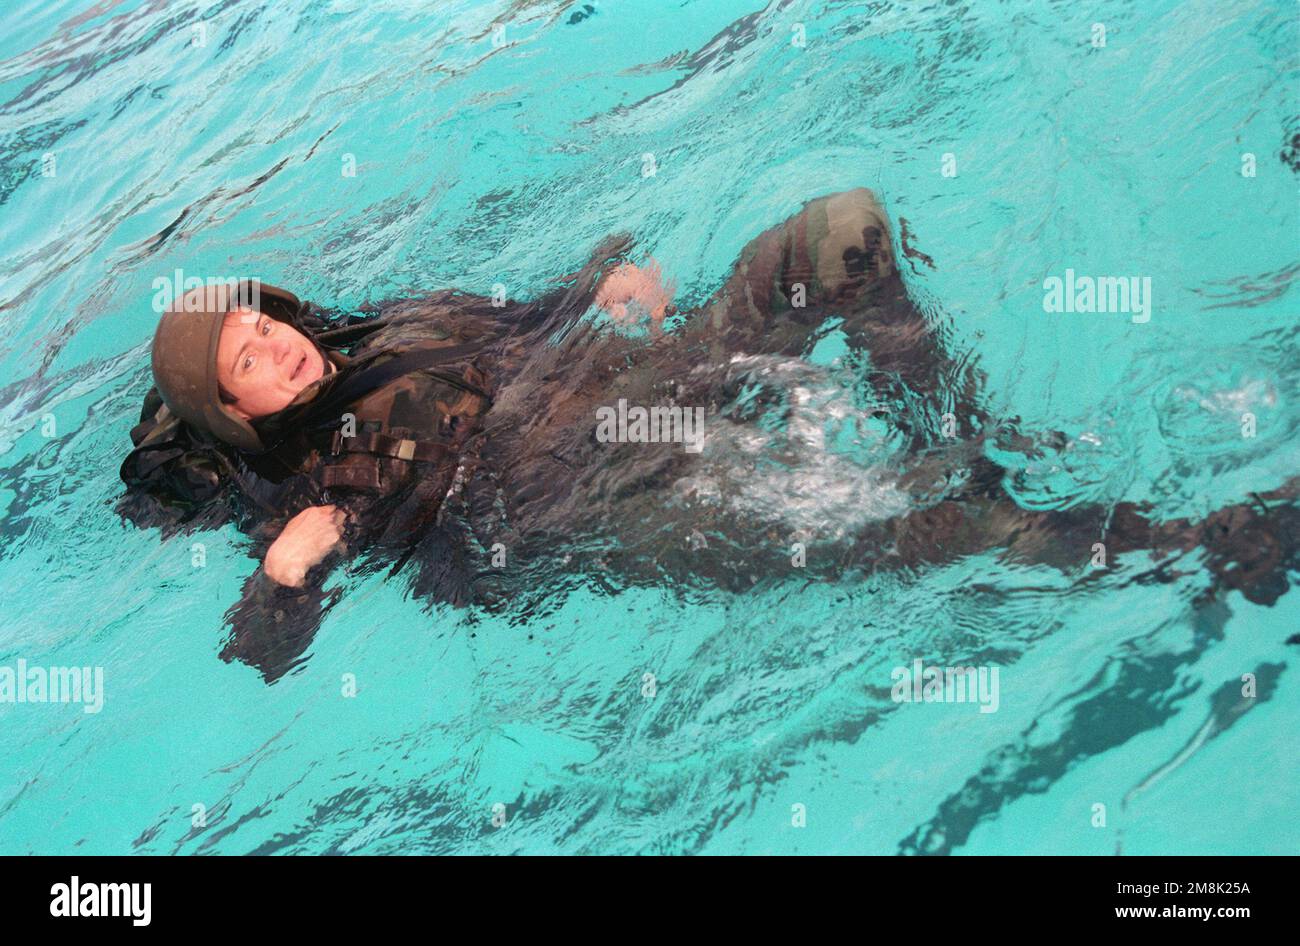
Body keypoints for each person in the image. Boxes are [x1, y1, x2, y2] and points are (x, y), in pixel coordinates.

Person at [120, 189, 1298, 681]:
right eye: (245, 369)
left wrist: (605, 274)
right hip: (601, 509)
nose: (274, 350)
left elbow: (526, 311)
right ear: (238, 416)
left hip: (649, 376)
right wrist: (287, 576)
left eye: (260, 326)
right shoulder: (289, 495)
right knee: (932, 525)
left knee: (840, 228)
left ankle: (968, 430)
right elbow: (262, 658)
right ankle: (1192, 545)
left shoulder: (399, 324)